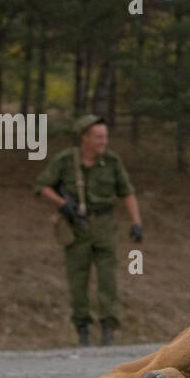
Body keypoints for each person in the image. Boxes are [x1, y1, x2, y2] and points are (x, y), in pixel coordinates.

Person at [34, 114, 142, 347]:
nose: (103, 141)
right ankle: (82, 329)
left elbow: (127, 192)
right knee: (77, 280)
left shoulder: (112, 162)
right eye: (99, 136)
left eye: (105, 136)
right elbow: (41, 186)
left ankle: (108, 329)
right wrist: (62, 204)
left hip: (105, 226)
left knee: (108, 280)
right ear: (85, 138)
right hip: (77, 228)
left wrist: (136, 222)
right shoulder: (65, 161)